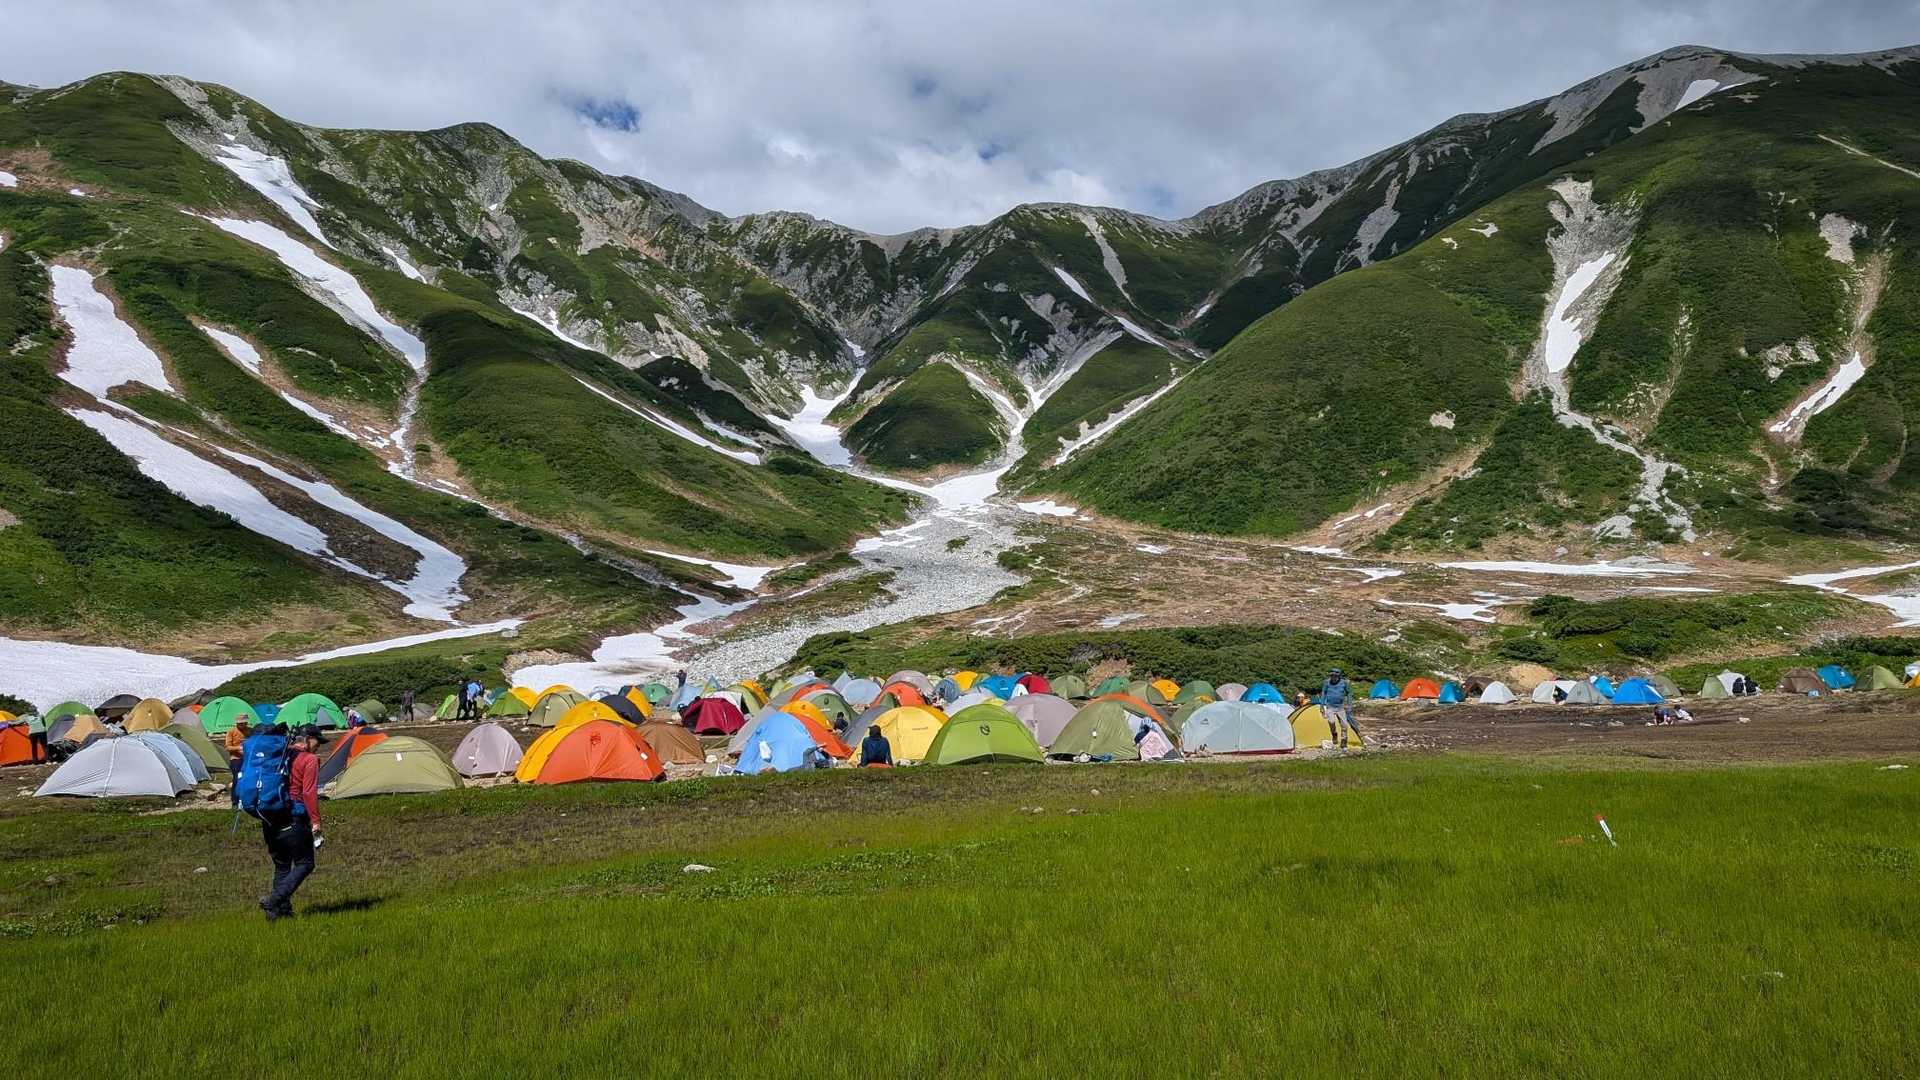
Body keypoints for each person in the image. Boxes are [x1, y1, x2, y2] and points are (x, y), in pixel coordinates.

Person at [258, 724, 324, 921]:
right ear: (309, 739)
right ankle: (274, 900)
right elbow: (308, 793)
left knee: (282, 866)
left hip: (270, 817)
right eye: (318, 742)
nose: (318, 746)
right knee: (306, 863)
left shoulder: (282, 755)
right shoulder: (309, 759)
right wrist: (316, 822)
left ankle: (279, 914)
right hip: (294, 817)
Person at [1319, 668, 1361, 748]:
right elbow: (1324, 693)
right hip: (1330, 706)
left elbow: (1349, 693)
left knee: (1344, 725)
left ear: (1338, 676)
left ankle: (1344, 741)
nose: (1333, 678)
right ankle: (1334, 734)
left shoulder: (1344, 683)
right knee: (1331, 722)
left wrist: (1349, 704)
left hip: (1340, 707)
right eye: (1332, 676)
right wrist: (1321, 706)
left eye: (1335, 676)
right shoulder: (1326, 682)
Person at [224, 719, 252, 806]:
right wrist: (239, 748)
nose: (241, 725)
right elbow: (228, 747)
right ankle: (235, 801)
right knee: (236, 779)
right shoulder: (231, 731)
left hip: (248, 758)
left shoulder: (250, 731)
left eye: (242, 724)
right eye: (239, 724)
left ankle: (247, 799)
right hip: (235, 758)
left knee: (248, 778)